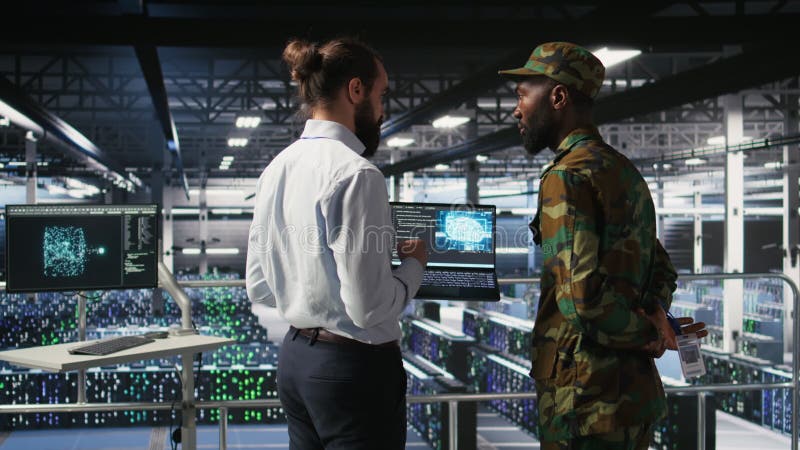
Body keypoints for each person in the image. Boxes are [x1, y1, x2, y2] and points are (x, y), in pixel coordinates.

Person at [498, 42, 707, 450]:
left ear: (557, 96)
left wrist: (650, 329)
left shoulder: (566, 177)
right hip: (634, 401)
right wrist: (655, 318)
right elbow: (661, 268)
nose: (516, 109)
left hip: (584, 404)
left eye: (523, 95)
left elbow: (582, 301)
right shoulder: (624, 172)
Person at [246, 37, 427, 450]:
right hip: (353, 370)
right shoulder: (357, 174)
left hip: (295, 361)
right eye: (381, 95)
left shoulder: (277, 168)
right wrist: (413, 264)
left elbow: (258, 286)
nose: (382, 110)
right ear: (356, 90)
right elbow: (368, 309)